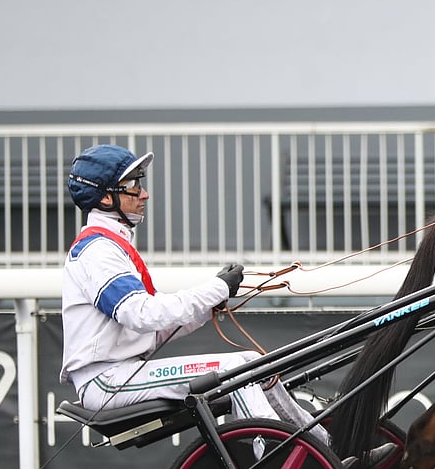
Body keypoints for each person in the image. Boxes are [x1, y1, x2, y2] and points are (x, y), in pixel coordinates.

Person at [59, 144, 340, 452]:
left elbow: (152, 332)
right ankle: (278, 461)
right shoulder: (96, 252)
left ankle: (326, 450)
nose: (144, 194)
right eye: (133, 186)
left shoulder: (111, 246)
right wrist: (216, 288)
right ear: (104, 197)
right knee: (238, 371)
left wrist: (209, 308)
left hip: (122, 374)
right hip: (107, 383)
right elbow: (143, 315)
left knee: (252, 363)